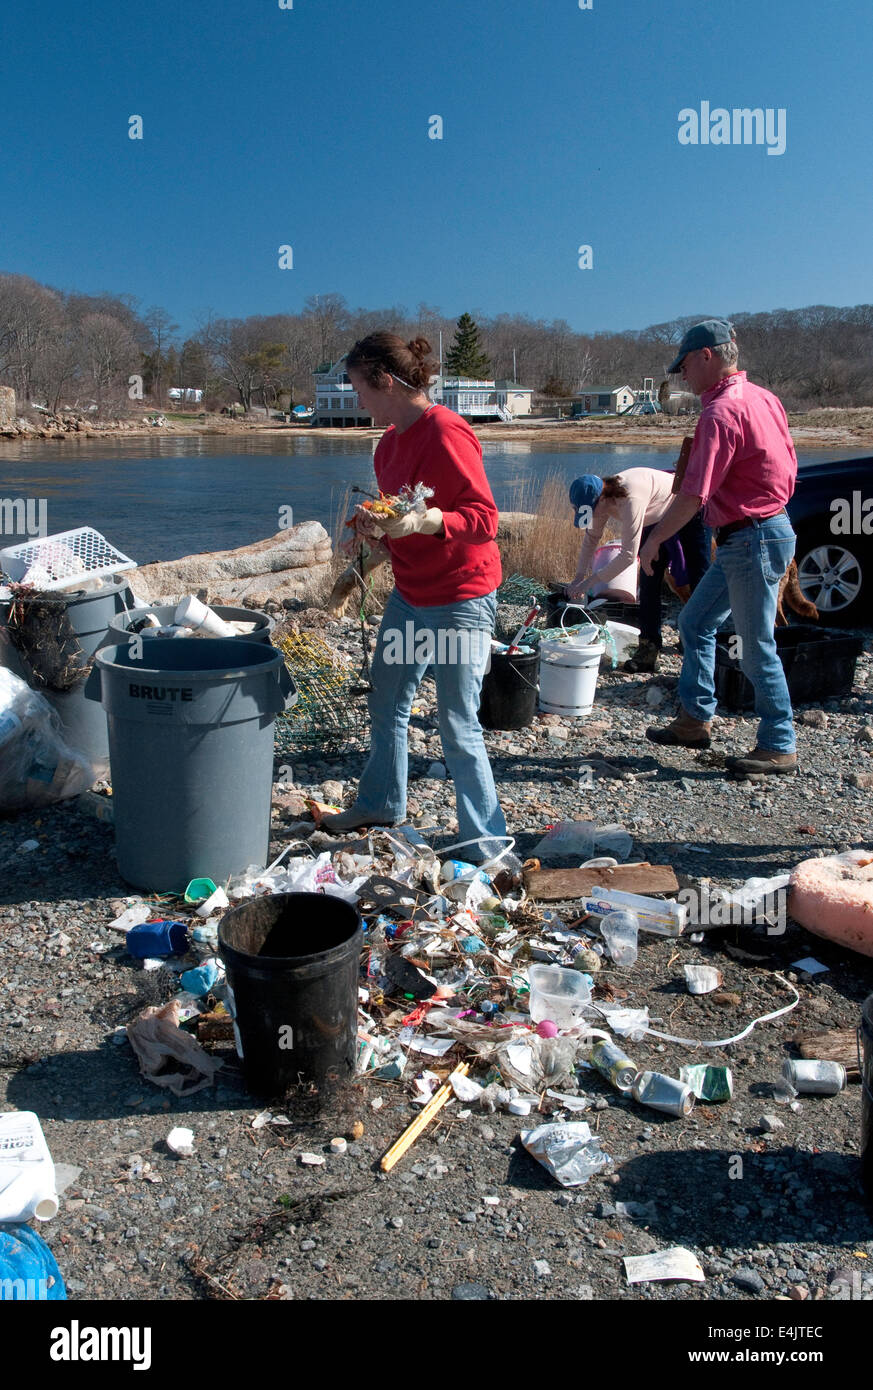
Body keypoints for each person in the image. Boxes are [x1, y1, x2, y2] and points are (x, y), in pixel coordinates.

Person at [320, 332, 506, 856]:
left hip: (461, 597)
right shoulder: (387, 444)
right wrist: (375, 526)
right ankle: (381, 803)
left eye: (359, 387)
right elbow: (397, 514)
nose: (357, 400)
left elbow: (485, 520)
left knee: (456, 721)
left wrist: (431, 521)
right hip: (410, 595)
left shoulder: (446, 431)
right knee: (386, 701)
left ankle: (486, 845)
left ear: (384, 381)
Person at [640, 319, 799, 776]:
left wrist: (654, 540)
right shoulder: (763, 398)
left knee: (755, 644)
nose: (682, 375)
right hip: (758, 532)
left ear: (707, 355)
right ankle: (694, 719)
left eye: (685, 365)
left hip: (752, 536)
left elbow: (693, 496)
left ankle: (778, 741)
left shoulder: (721, 412)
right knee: (695, 620)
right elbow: (784, 466)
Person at [566, 470, 709, 672]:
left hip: (687, 507)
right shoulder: (600, 503)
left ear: (602, 498)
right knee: (649, 580)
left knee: (699, 579)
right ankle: (648, 651)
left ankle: (700, 647)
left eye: (590, 511)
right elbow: (591, 539)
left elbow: (628, 556)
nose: (592, 517)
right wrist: (579, 576)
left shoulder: (630, 499)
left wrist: (591, 582)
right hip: (654, 516)